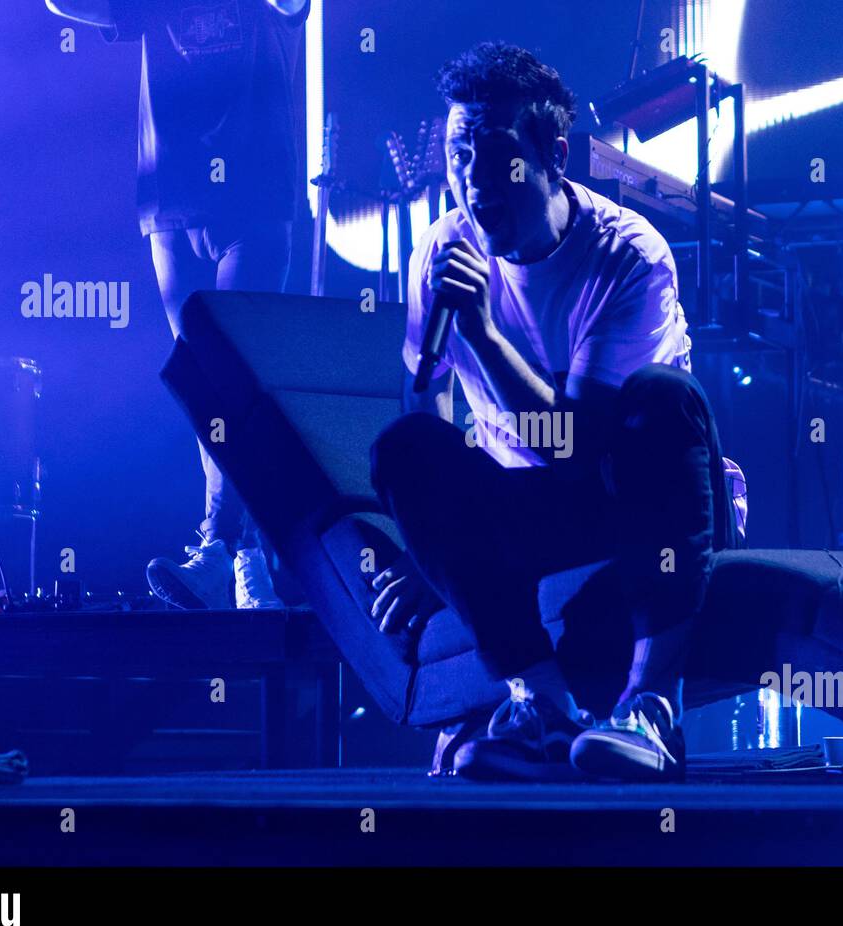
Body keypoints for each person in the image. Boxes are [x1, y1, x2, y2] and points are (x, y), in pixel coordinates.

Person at [369, 42, 739, 781]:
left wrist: (483, 332)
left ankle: (650, 711)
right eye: (457, 151)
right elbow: (427, 400)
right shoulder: (443, 247)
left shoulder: (629, 257)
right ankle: (542, 708)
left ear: (553, 157)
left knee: (662, 401)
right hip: (530, 511)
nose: (472, 179)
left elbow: (574, 450)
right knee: (405, 448)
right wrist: (427, 552)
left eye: (495, 154)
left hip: (638, 499)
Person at [44, 0, 309, 609]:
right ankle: (241, 557)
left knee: (231, 373)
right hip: (171, 197)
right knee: (206, 382)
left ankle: (221, 545)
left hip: (256, 198)